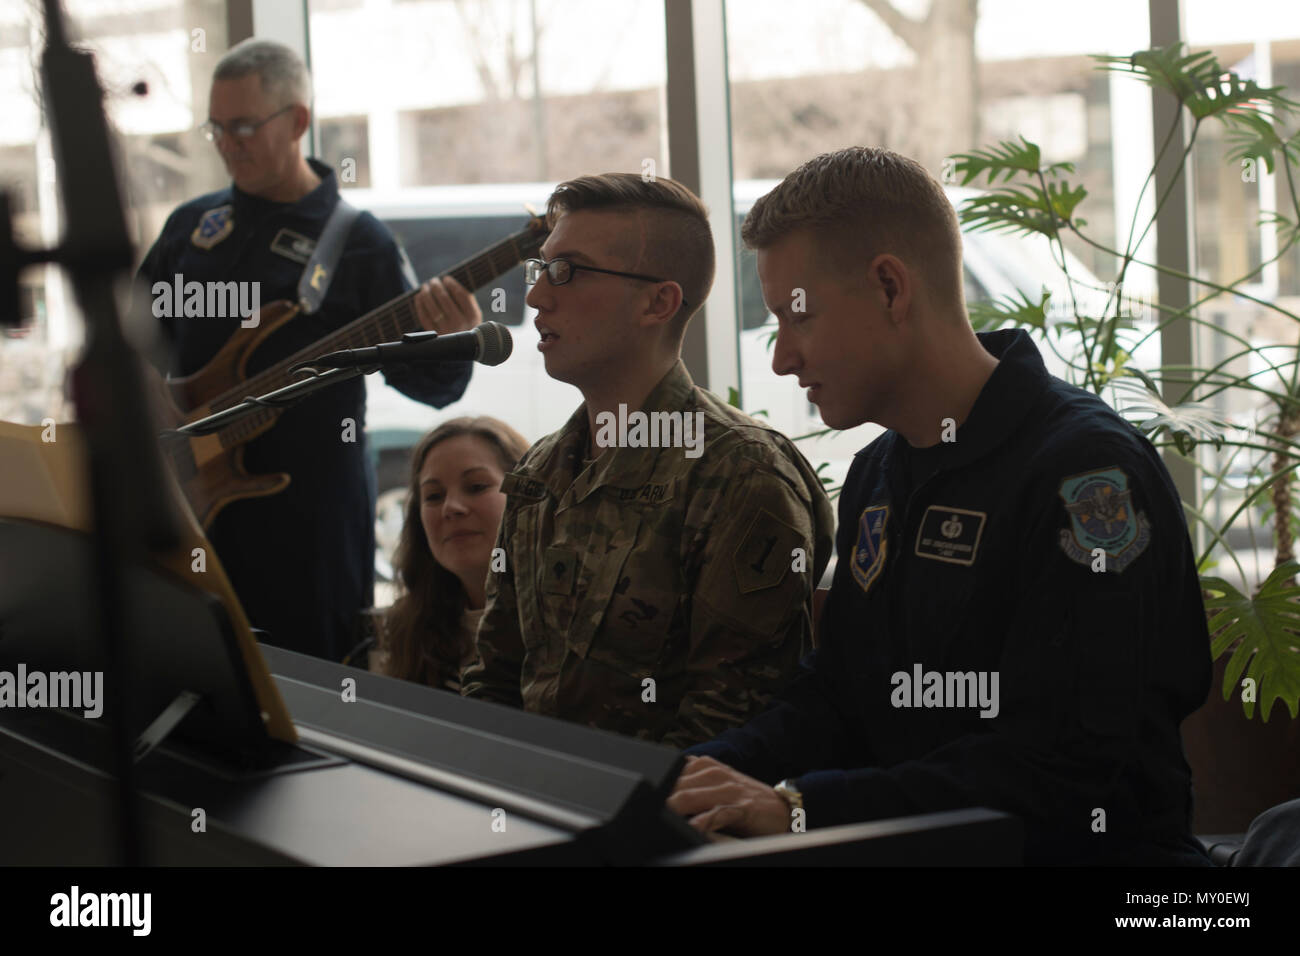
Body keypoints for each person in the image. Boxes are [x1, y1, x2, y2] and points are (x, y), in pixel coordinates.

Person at [667, 147, 1213, 866]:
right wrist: (690, 777)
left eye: (796, 318)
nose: (780, 358)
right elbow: (838, 696)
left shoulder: (1086, 476)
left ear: (891, 288)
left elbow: (1063, 768)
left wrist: (802, 810)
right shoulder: (878, 474)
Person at [460, 173, 835, 749]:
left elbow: (728, 730)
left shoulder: (741, 475)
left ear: (658, 302)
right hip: (527, 809)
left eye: (568, 271)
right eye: (541, 269)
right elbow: (496, 679)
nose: (536, 297)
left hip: (655, 824)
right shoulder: (541, 473)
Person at [137, 39, 482, 663]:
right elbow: (128, 344)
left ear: (297, 121)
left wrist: (453, 337)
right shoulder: (189, 228)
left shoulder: (358, 244)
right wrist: (163, 422)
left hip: (311, 533)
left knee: (316, 693)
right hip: (193, 511)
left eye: (243, 126)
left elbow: (433, 387)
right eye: (217, 127)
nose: (227, 143)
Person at [372, 417, 530, 691]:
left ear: (527, 492)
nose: (452, 507)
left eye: (476, 487)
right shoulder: (405, 629)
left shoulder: (564, 621)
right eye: (434, 495)